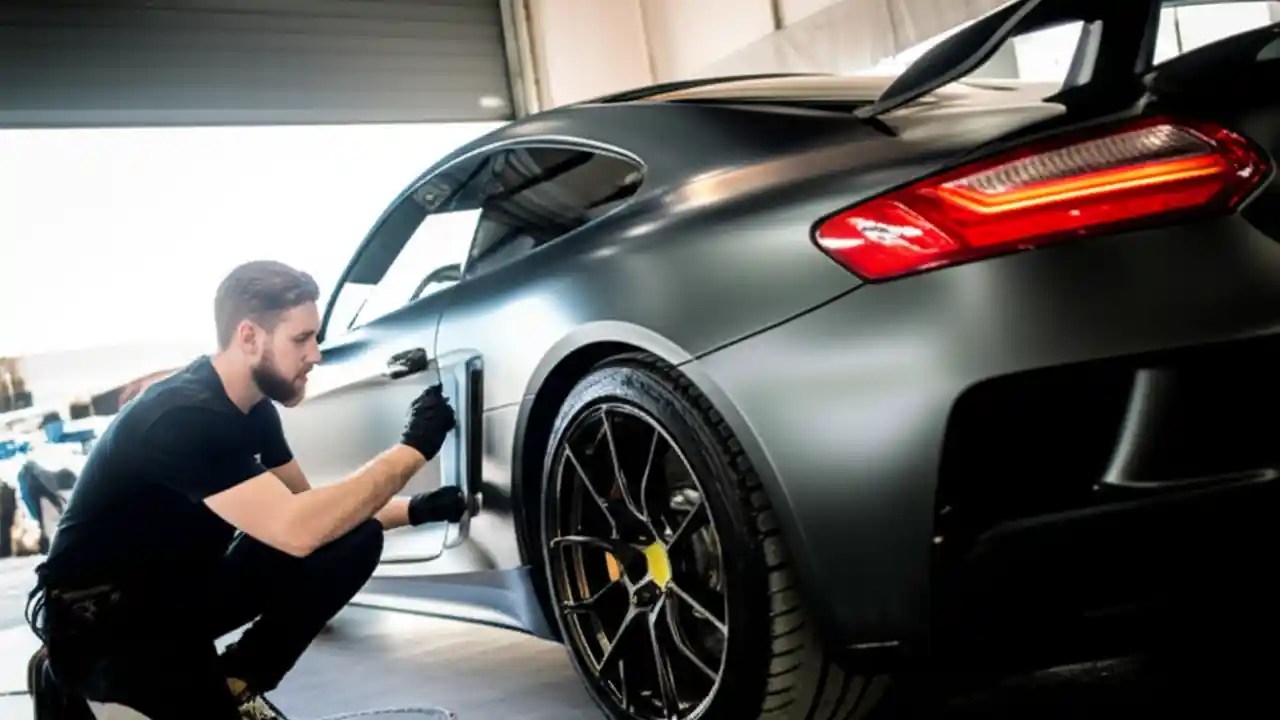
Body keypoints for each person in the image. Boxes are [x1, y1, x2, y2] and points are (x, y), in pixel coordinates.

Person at [25, 260, 466, 720]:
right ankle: (66, 678)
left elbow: (316, 511)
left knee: (354, 539)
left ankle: (238, 678)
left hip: (176, 597)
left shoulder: (255, 412)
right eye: (301, 339)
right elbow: (300, 530)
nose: (315, 354)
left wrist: (418, 509)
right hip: (104, 627)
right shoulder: (181, 418)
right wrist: (412, 450)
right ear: (250, 337)